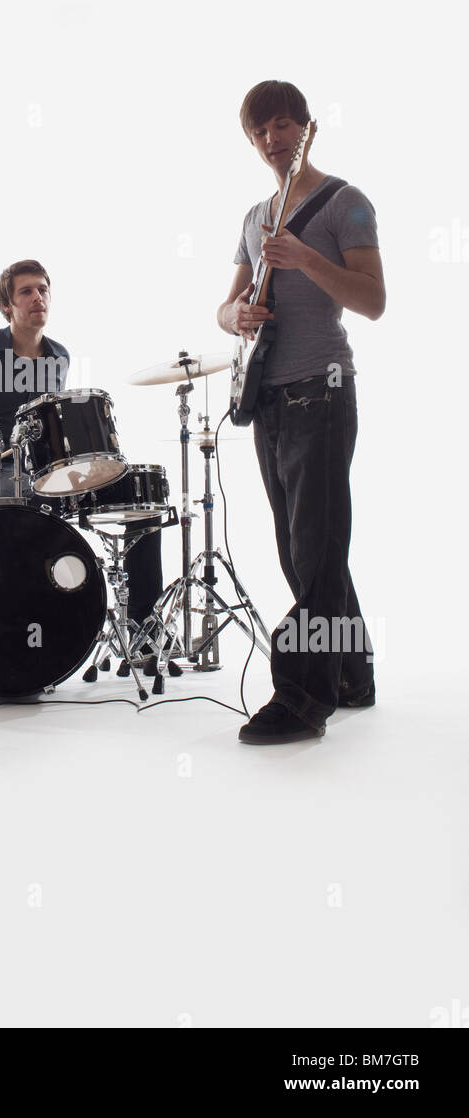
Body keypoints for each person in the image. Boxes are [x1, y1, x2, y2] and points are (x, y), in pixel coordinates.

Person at [217, 80, 385, 744]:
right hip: (269, 399)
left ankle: (302, 699)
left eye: (282, 126)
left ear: (305, 128)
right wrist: (240, 314)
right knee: (303, 551)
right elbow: (223, 310)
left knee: (316, 550)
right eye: (259, 132)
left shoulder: (347, 203)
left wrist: (306, 258)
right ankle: (353, 674)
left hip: (323, 391)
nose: (271, 140)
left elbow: (373, 300)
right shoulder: (255, 216)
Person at [0, 260, 163, 626]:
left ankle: (141, 626)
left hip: (47, 473)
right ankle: (23, 612)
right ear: (6, 306)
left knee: (143, 495)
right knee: (31, 496)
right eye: (26, 292)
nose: (37, 298)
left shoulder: (59, 355)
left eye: (43, 289)